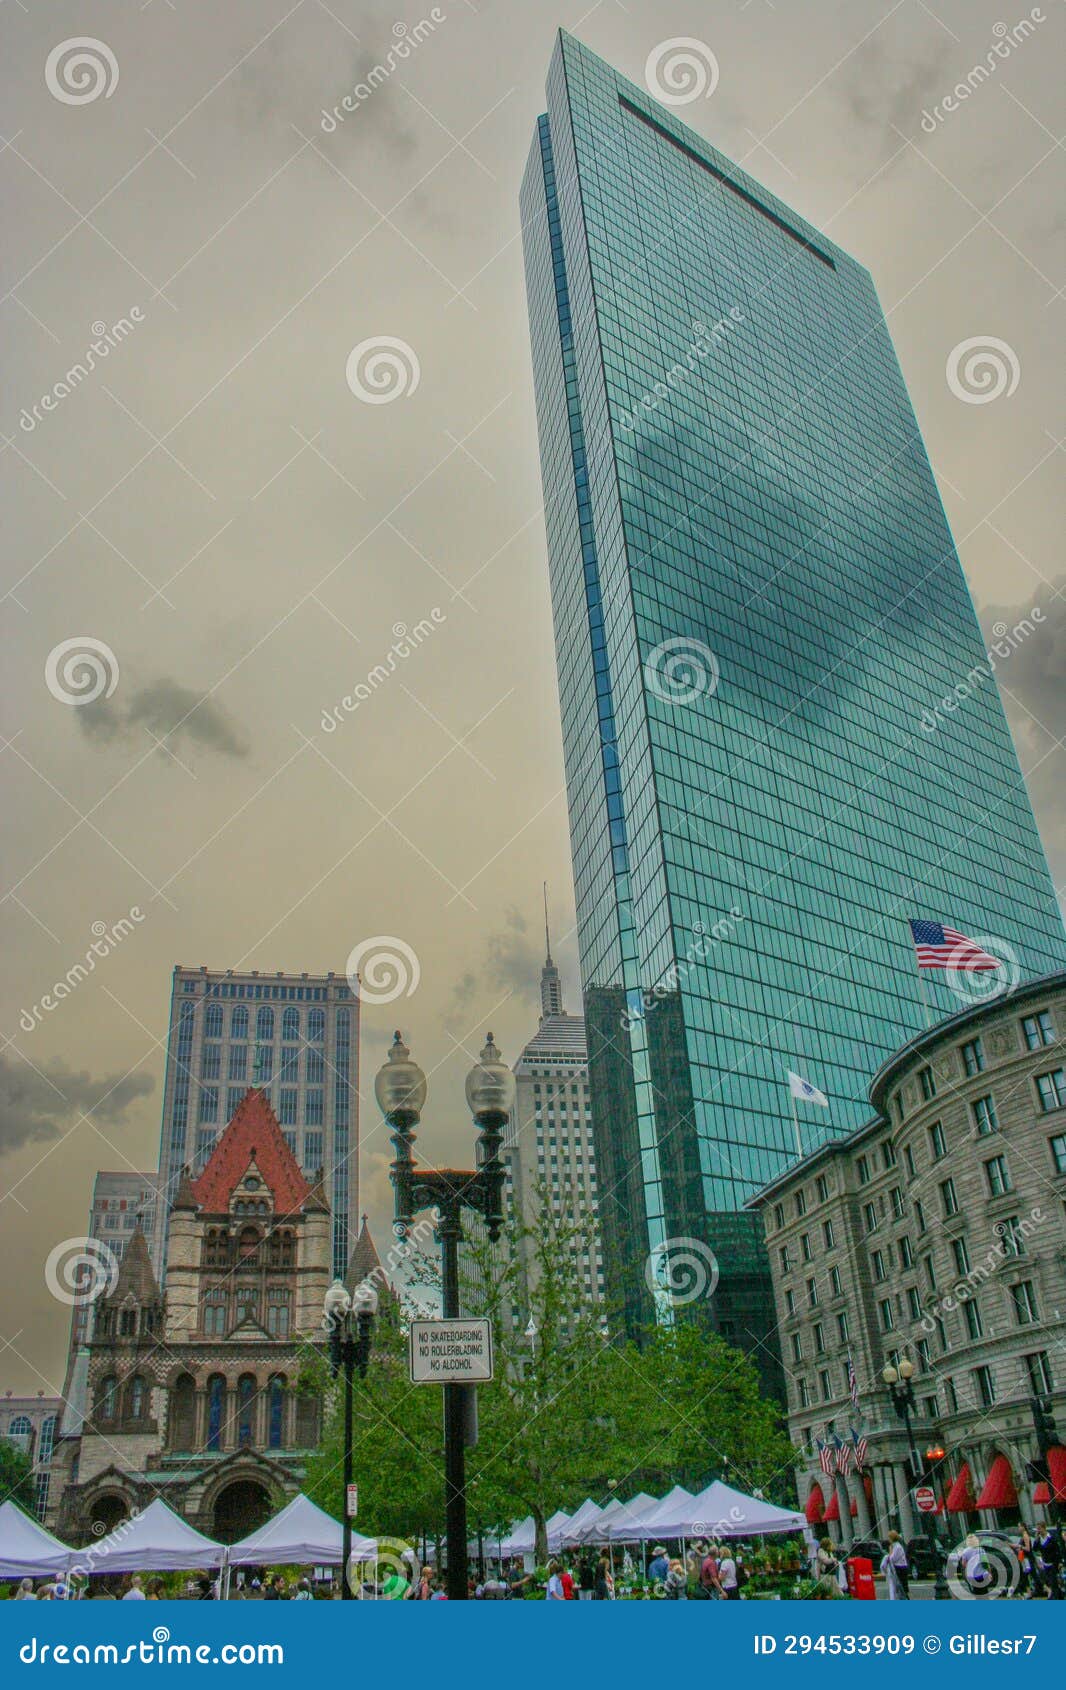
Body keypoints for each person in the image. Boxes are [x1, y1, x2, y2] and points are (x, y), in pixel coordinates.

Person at [881, 1532, 909, 1600]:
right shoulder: (895, 1546)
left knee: (901, 1586)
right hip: (898, 1567)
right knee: (898, 1587)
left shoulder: (897, 1547)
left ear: (892, 1538)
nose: (888, 1540)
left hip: (900, 1568)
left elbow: (892, 1559)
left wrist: (890, 1552)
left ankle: (905, 1598)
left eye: (889, 1538)